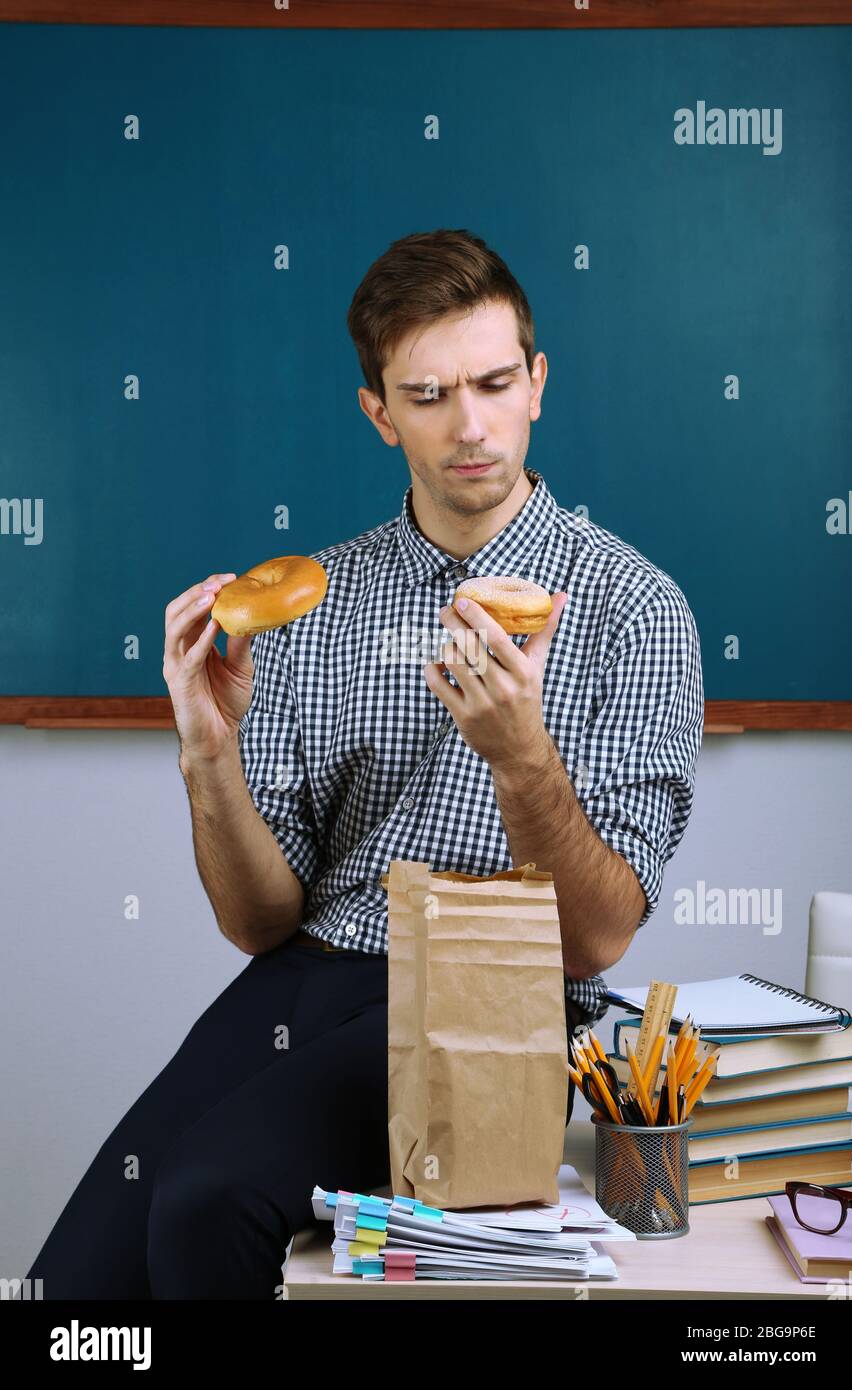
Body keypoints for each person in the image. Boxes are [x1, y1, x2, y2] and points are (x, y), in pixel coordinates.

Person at [26, 228, 703, 1300]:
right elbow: (258, 921)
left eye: (491, 383)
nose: (468, 425)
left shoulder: (634, 610)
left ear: (536, 383)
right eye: (426, 395)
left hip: (502, 996)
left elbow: (596, 936)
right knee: (71, 1291)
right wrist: (207, 754)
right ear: (378, 412)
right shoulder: (314, 600)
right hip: (316, 973)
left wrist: (519, 756)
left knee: (205, 1199)